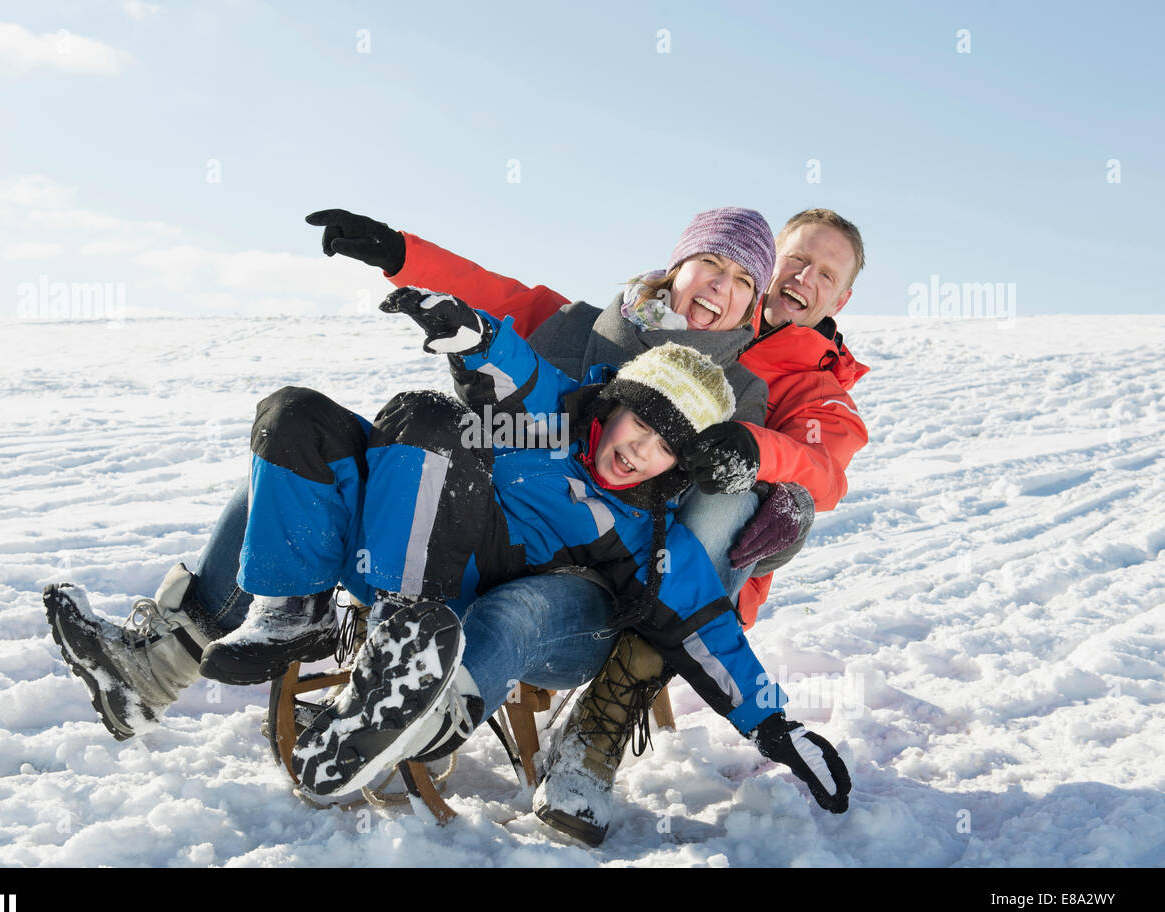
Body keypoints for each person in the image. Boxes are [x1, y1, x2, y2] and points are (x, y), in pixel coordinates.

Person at [42, 206, 844, 842]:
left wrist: (774, 714)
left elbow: (798, 479)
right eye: (713, 261)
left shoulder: (741, 396)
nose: (719, 286)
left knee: (513, 609)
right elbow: (495, 316)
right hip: (477, 508)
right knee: (295, 471)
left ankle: (426, 716)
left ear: (759, 301)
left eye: (744, 279)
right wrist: (398, 253)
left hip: (601, 579)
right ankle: (160, 663)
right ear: (680, 260)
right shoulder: (586, 331)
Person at [218, 287, 844, 808]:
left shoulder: (636, 525)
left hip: (459, 577)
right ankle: (295, 610)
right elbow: (516, 372)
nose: (641, 453)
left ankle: (402, 642)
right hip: (392, 546)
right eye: (642, 426)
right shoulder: (555, 419)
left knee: (434, 421)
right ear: (614, 405)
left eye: (666, 451)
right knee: (297, 414)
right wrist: (471, 335)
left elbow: (705, 624)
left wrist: (774, 726)